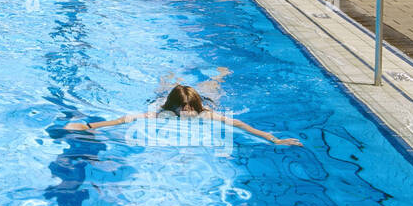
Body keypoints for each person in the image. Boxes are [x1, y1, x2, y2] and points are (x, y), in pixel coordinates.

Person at [65, 83, 301, 147]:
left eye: (189, 108)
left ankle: (217, 78)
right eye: (183, 108)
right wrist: (88, 126)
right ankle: (165, 82)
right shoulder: (162, 113)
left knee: (212, 92)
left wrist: (274, 139)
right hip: (164, 101)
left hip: (205, 101)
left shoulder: (204, 114)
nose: (187, 112)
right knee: (161, 90)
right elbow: (124, 119)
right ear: (175, 107)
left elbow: (240, 124)